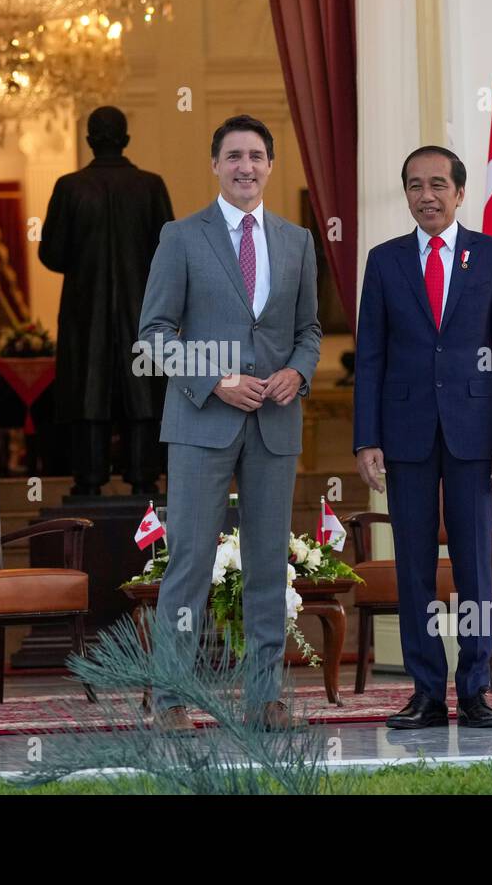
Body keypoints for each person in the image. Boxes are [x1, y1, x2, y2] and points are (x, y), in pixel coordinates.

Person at [138, 114, 322, 732]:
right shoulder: (180, 237)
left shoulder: (297, 241)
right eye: (234, 156)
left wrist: (298, 371)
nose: (246, 166)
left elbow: (309, 330)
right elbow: (154, 336)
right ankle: (170, 700)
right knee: (189, 562)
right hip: (201, 422)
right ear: (215, 165)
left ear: (270, 165)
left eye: (256, 156)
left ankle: (265, 699)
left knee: (268, 564)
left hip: (276, 422)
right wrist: (217, 379)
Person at [353, 145, 492, 729]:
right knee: (414, 565)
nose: (425, 196)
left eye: (437, 185)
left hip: (475, 434)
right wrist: (366, 439)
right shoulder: (384, 261)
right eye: (414, 186)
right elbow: (370, 357)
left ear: (459, 192)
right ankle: (426, 691)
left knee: (476, 564)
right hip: (405, 434)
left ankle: (475, 688)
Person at [40, 106, 174, 496]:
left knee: (89, 392)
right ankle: (144, 478)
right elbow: (169, 252)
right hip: (143, 312)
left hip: (85, 314)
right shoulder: (150, 186)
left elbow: (51, 254)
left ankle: (89, 479)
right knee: (143, 394)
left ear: (89, 141)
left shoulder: (70, 187)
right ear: (126, 140)